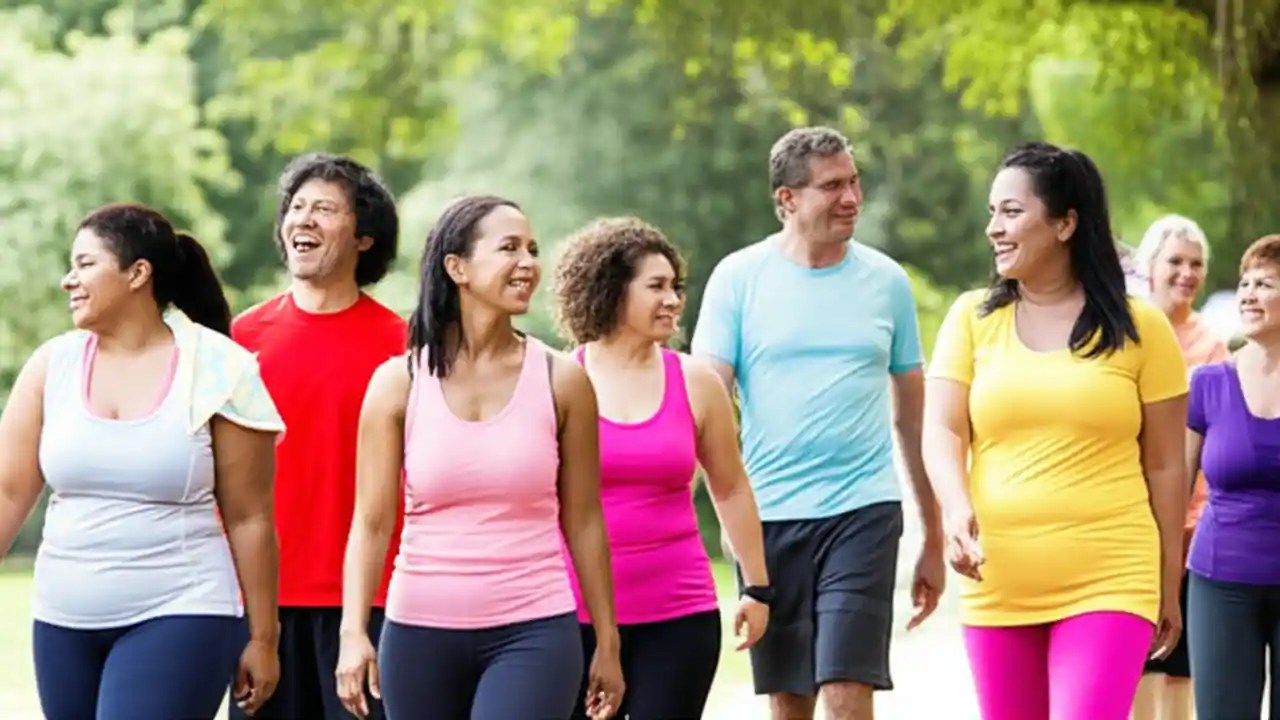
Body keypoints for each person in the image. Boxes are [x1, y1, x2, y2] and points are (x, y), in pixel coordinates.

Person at [923, 142, 1189, 720]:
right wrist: (954, 507)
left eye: (1012, 212)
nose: (994, 227)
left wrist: (1169, 580)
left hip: (1110, 575)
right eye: (992, 212)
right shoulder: (972, 319)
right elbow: (941, 429)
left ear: (1066, 223)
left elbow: (1167, 464)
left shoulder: (1141, 326)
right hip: (1001, 578)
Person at [335, 195, 625, 720]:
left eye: (533, 249)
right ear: (457, 267)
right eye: (509, 248)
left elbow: (584, 521)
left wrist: (607, 639)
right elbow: (372, 523)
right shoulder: (397, 383)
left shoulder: (564, 381)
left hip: (534, 630)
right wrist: (353, 631)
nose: (529, 263)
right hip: (419, 631)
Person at [691, 125, 946, 720]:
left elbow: (913, 419)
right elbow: (705, 407)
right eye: (832, 186)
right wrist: (727, 516)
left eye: (854, 182)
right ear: (787, 199)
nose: (851, 198)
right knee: (791, 700)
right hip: (770, 514)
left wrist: (932, 533)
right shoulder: (737, 278)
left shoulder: (887, 283)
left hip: (863, 511)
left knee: (845, 687)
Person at [0, 203, 283, 719]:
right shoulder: (52, 365)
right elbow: (8, 491)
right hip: (62, 618)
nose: (69, 280)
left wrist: (264, 637)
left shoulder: (218, 367)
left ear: (137, 273)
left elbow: (250, 516)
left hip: (183, 609)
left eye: (85, 264)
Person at [551, 216, 772, 719]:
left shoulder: (696, 381)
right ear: (611, 291)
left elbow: (731, 487)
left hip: (679, 614)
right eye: (656, 286)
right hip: (574, 616)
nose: (673, 299)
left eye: (676, 286)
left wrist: (756, 587)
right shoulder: (560, 380)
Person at [230, 153, 406, 720]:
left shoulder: (405, 347)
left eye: (325, 209)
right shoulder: (238, 342)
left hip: (373, 604)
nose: (303, 219)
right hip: (262, 607)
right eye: (296, 207)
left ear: (364, 238)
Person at [1129, 214, 1230, 720]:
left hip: (1192, 529)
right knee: (1137, 661)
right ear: (1149, 267)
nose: (1186, 273)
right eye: (1175, 261)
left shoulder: (1212, 347)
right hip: (1130, 523)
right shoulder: (1125, 333)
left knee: (1182, 668)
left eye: (1196, 264)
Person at [1184, 234, 1280, 718]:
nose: (1247, 293)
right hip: (1220, 580)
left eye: (1264, 283)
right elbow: (1174, 487)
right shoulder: (1208, 383)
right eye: (1244, 283)